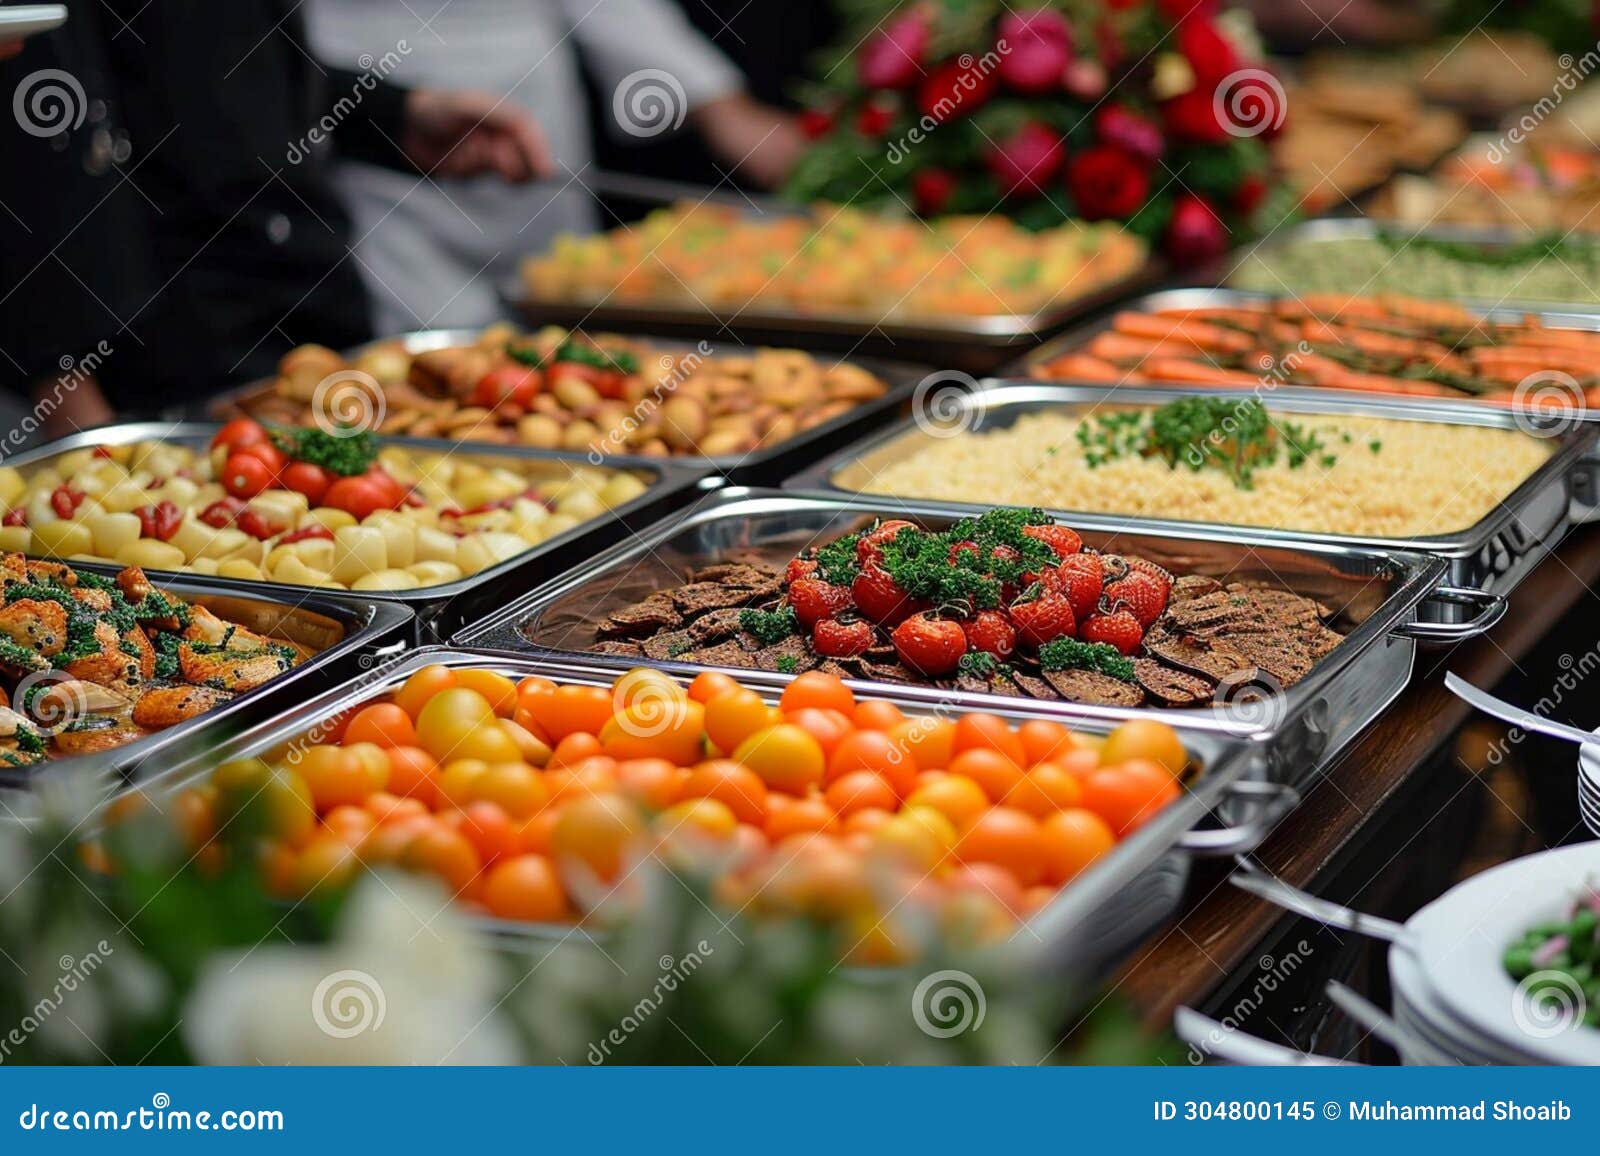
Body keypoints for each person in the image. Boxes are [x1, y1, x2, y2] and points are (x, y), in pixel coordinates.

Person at [1, 2, 553, 432]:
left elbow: (215, 73)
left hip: (310, 321)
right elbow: (34, 130)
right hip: (170, 354)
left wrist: (396, 117)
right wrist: (67, 393)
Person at [305, 0, 805, 335]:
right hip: (370, 115)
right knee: (438, 361)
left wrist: (713, 99)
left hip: (531, 100)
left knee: (566, 324)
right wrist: (380, 110)